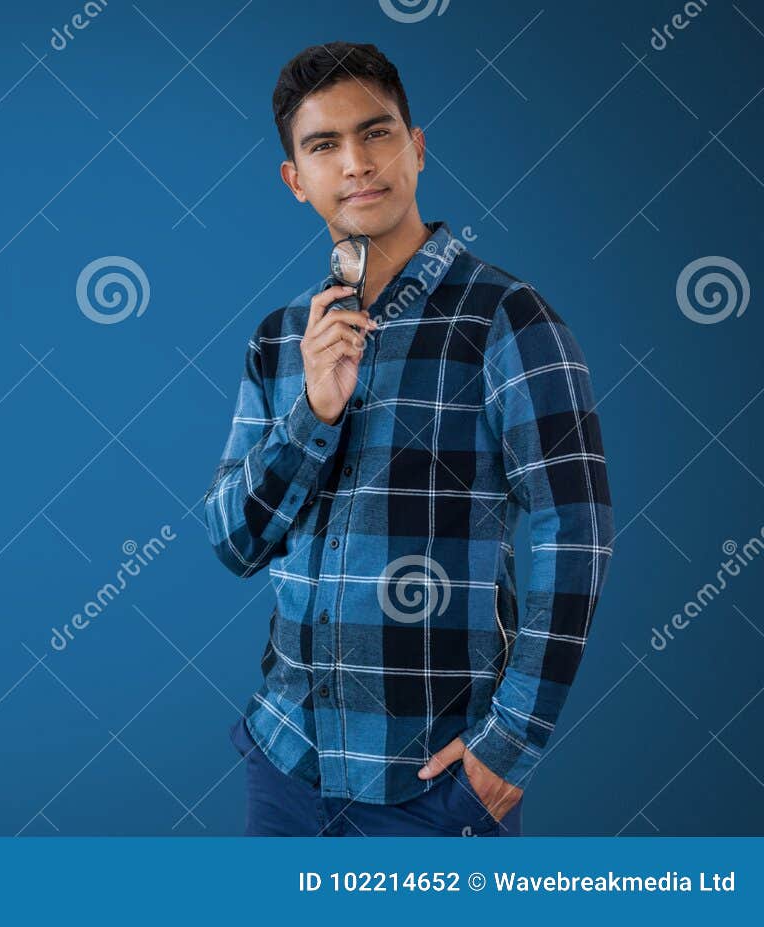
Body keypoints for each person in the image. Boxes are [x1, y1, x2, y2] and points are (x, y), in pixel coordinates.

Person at [204, 41, 613, 836]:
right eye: (324, 145)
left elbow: (579, 534)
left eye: (377, 132)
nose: (356, 162)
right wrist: (311, 416)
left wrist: (510, 748)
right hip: (285, 762)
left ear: (416, 147)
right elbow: (234, 542)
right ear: (297, 180)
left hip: (428, 789)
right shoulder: (281, 338)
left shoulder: (509, 320)